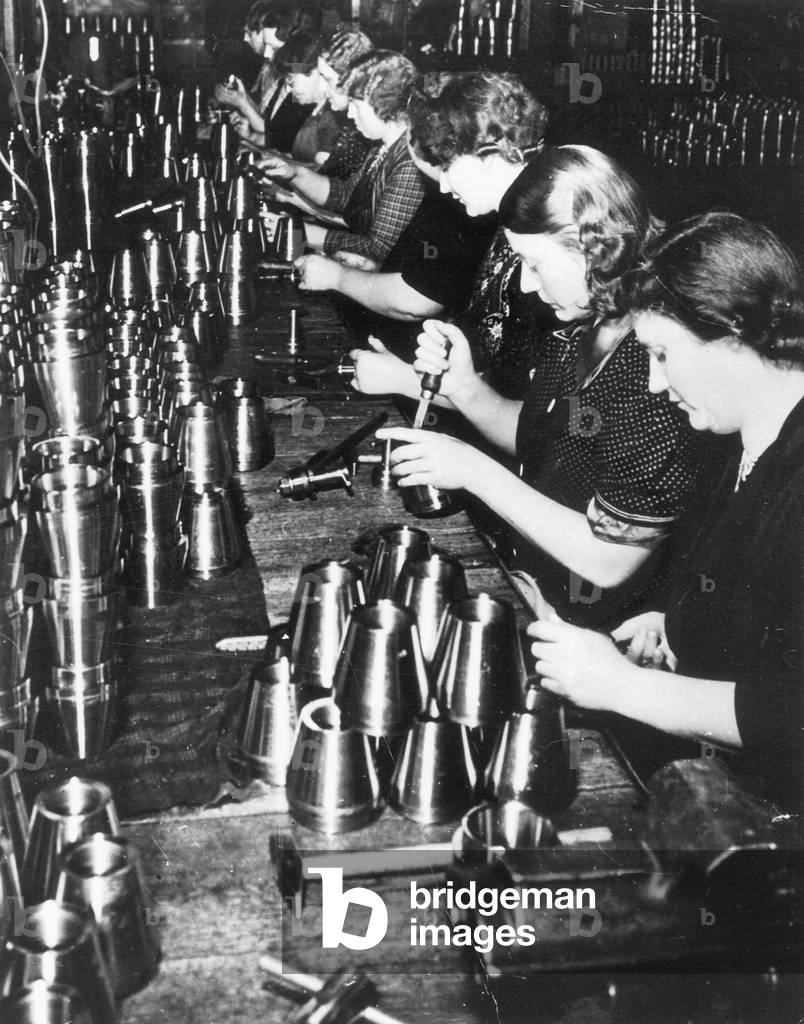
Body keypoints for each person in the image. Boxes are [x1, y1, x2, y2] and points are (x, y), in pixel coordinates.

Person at [370, 147, 711, 630]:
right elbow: (539, 436)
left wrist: (473, 471)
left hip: (597, 631)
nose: (527, 285)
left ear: (592, 249)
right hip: (537, 588)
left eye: (535, 263)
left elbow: (608, 558)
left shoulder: (655, 368)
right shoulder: (580, 327)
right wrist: (466, 388)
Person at [528, 212, 804, 809]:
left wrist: (622, 686)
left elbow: (788, 710)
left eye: (661, 353)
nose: (654, 383)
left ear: (732, 337)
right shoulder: (735, 436)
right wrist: (672, 614)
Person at [292, 76, 499, 327]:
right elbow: (426, 261)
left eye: (444, 168)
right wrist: (380, 269)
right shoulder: (448, 194)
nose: (444, 186)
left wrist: (336, 277)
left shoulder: (463, 203)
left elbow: (415, 301)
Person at [257, 51, 426, 265]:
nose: (350, 114)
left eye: (357, 105)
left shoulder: (409, 162)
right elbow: (347, 196)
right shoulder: (382, 147)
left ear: (383, 106)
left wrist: (300, 231)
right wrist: (295, 174)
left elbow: (378, 248)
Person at [213, 0, 296, 138]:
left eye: (249, 32)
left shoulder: (297, 72)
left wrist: (242, 103)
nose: (267, 54)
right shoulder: (275, 66)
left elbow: (281, 134)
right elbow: (271, 121)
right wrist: (241, 99)